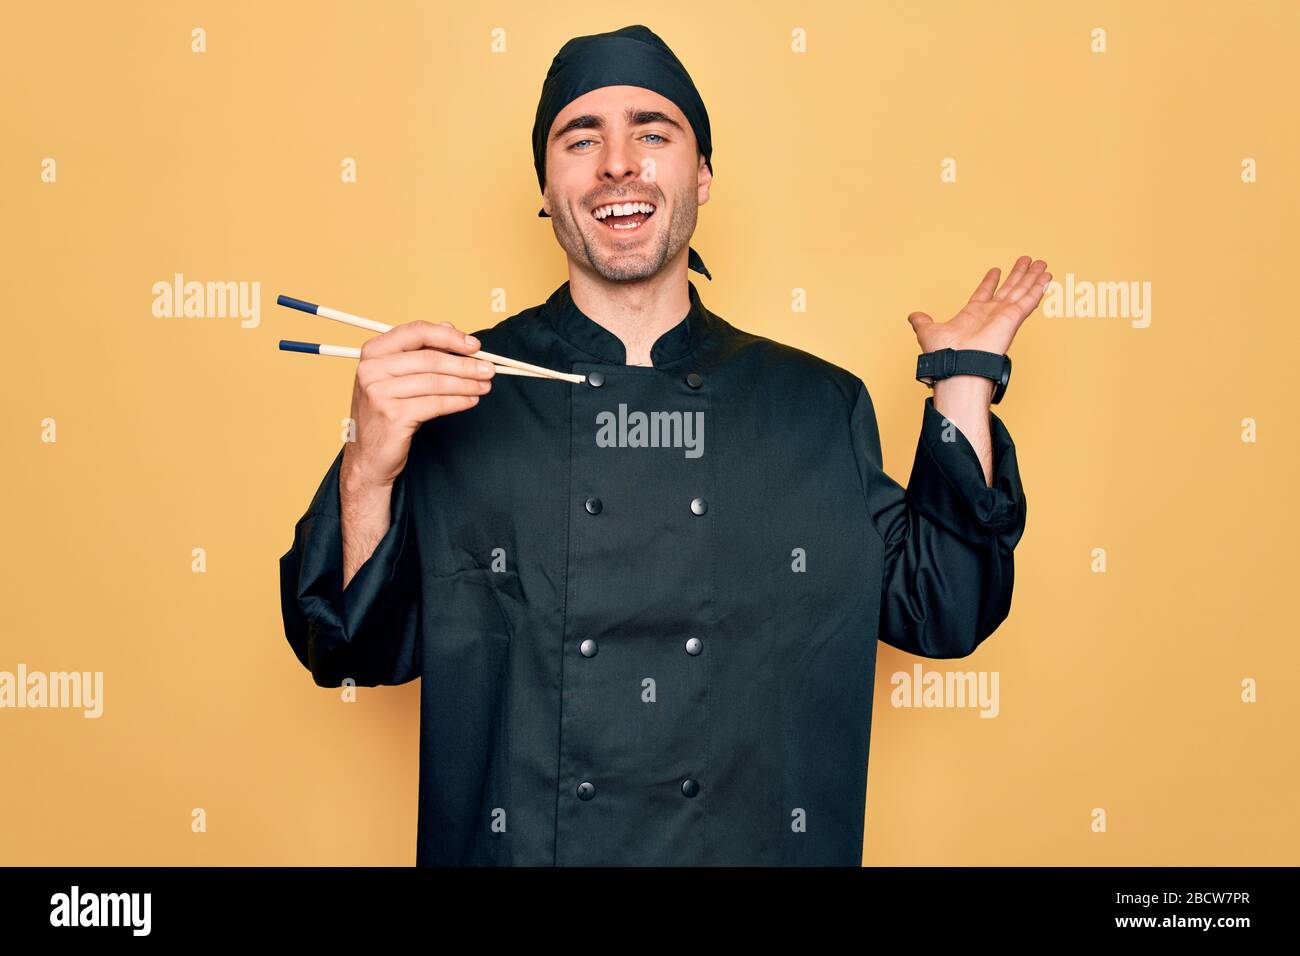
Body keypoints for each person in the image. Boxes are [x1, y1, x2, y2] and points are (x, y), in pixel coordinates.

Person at [278, 23, 1045, 866]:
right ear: (545, 184)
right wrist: (367, 467)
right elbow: (350, 651)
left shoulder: (813, 406)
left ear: (702, 174)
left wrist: (964, 380)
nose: (618, 163)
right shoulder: (457, 392)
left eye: (653, 132)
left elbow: (943, 609)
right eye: (582, 138)